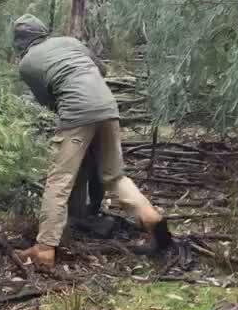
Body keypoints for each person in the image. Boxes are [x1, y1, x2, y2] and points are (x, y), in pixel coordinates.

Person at [13, 14, 172, 269]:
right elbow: (102, 70)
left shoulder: (27, 64)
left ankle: (44, 249)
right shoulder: (69, 42)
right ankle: (152, 219)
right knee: (115, 177)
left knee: (58, 182)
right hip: (108, 106)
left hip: (77, 113)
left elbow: (46, 100)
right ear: (43, 31)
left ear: (20, 42)